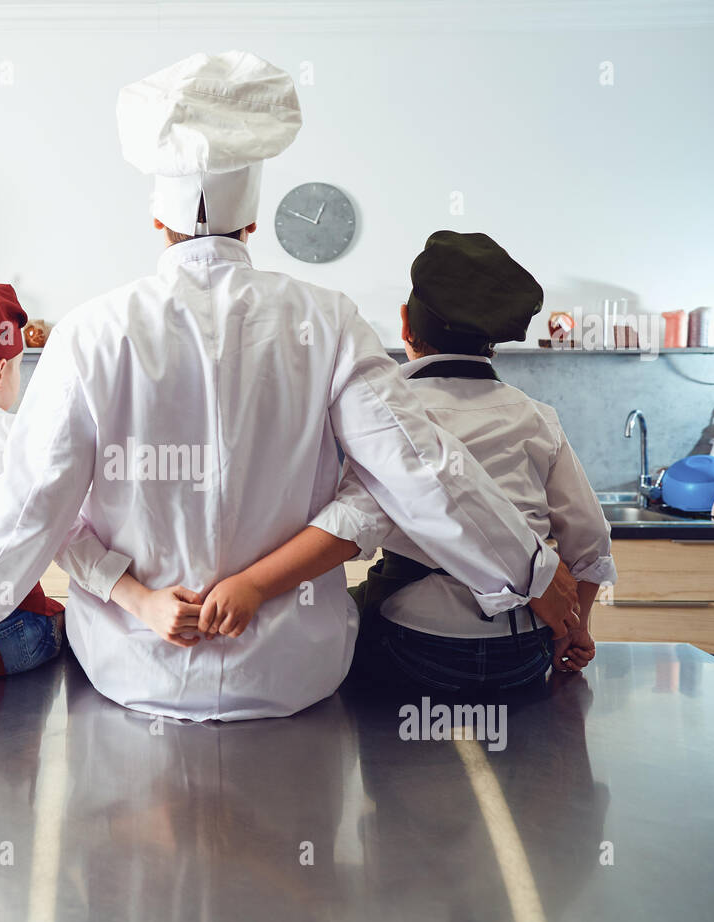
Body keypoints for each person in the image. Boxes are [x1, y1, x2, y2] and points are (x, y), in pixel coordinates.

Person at [0, 51, 579, 722]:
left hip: (131, 677)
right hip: (294, 679)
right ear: (254, 220)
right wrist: (532, 573)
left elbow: (35, 494)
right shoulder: (327, 320)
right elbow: (417, 466)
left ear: (157, 219)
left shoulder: (89, 332)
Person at [199, 231, 615, 697]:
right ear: (493, 341)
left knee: (338, 625)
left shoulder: (381, 412)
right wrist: (575, 629)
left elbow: (353, 523)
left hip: (414, 651)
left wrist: (254, 584)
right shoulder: (538, 417)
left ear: (405, 325)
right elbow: (592, 542)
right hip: (522, 653)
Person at [0, 283, 205, 675]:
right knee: (72, 621)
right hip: (3, 644)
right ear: (1, 371)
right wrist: (138, 599)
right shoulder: (11, 432)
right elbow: (62, 530)